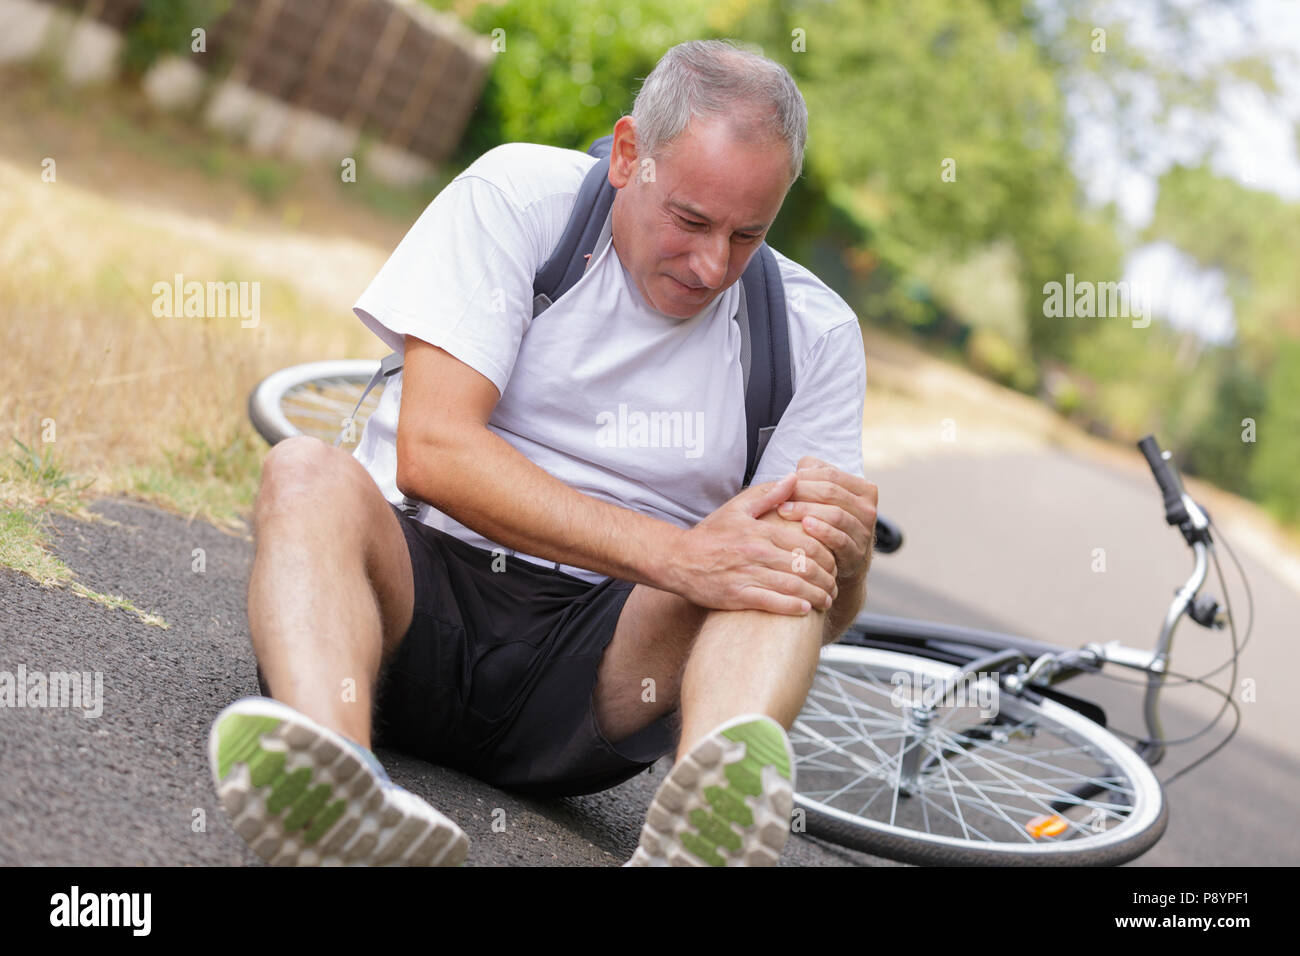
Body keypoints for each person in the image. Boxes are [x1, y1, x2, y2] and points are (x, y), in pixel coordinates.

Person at [208, 38, 877, 867]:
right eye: (691, 220)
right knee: (303, 470)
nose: (712, 265)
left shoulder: (812, 334)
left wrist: (839, 567)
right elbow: (434, 452)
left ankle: (706, 842)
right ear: (630, 154)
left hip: (597, 675)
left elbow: (815, 609)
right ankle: (330, 784)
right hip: (410, 604)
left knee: (779, 569)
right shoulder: (519, 196)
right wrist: (682, 555)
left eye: (748, 235)